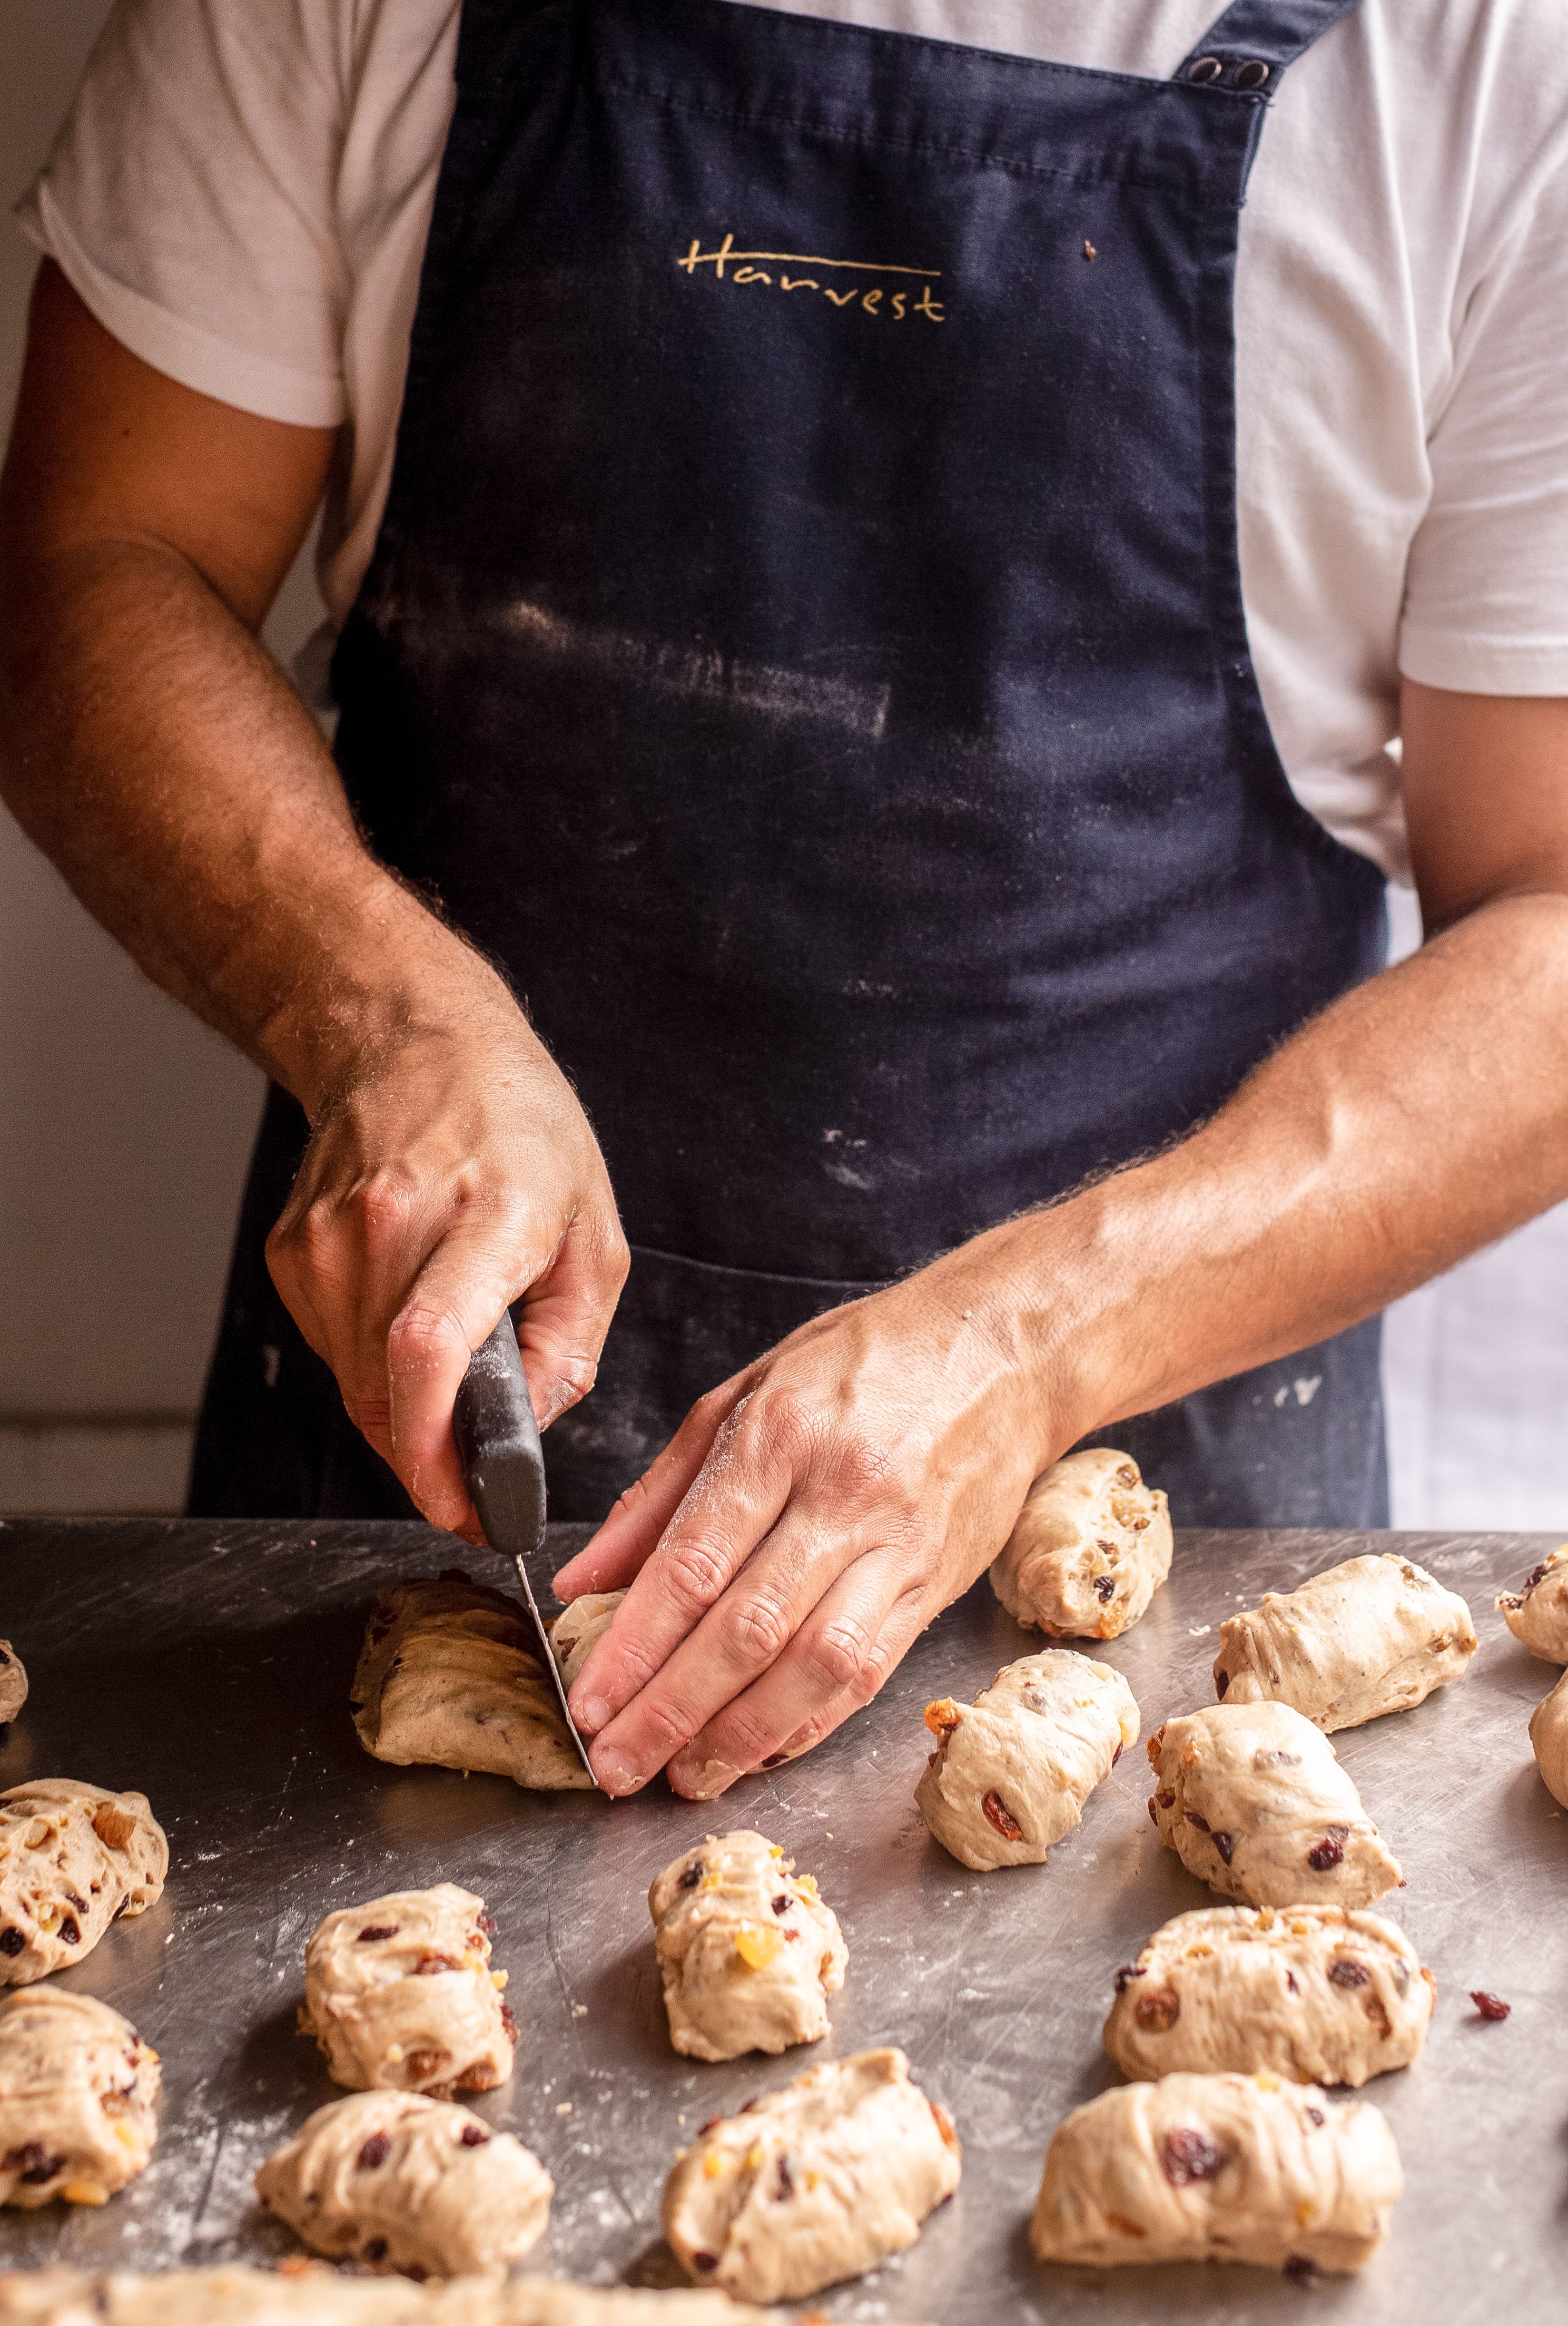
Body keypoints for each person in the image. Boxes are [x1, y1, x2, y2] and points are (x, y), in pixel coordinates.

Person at [3, 0, 1567, 1803]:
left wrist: (1029, 1341)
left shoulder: (1486, 58)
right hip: (428, 1447)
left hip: (1125, 1553)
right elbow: (97, 568)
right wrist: (379, 1014)